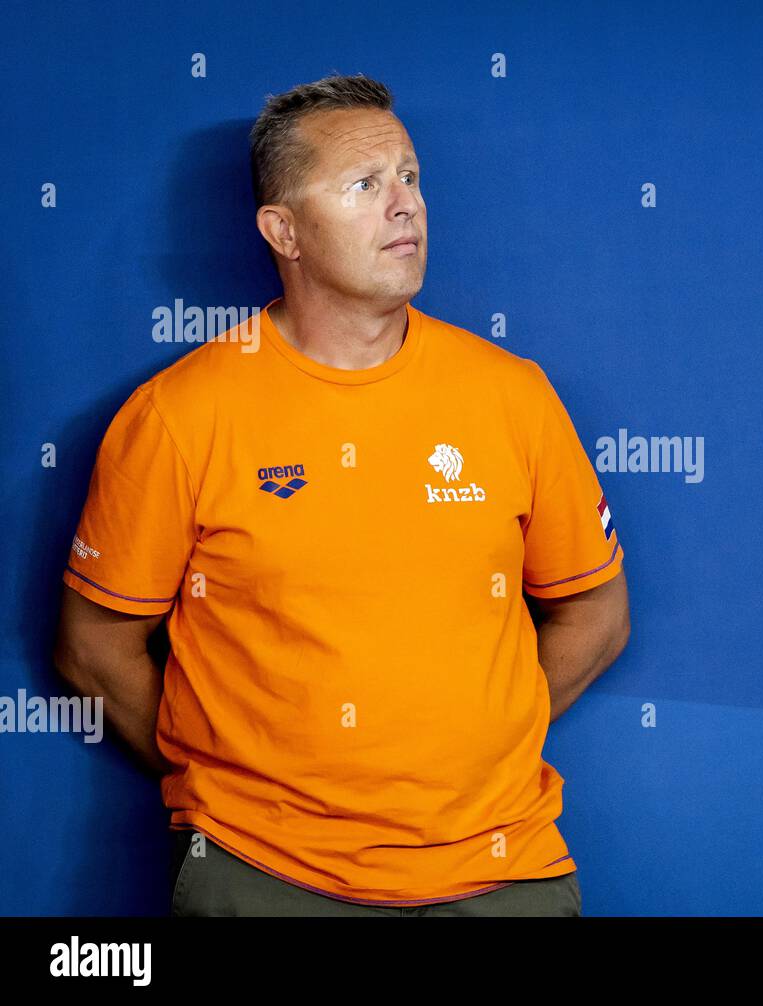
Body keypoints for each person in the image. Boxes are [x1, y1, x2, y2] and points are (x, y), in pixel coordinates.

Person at [52, 73, 630, 917]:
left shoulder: (513, 396)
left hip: (505, 871)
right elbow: (94, 648)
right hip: (261, 875)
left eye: (411, 177)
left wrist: (472, 755)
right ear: (282, 230)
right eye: (366, 184)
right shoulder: (179, 416)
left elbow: (598, 614)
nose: (406, 205)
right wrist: (231, 783)